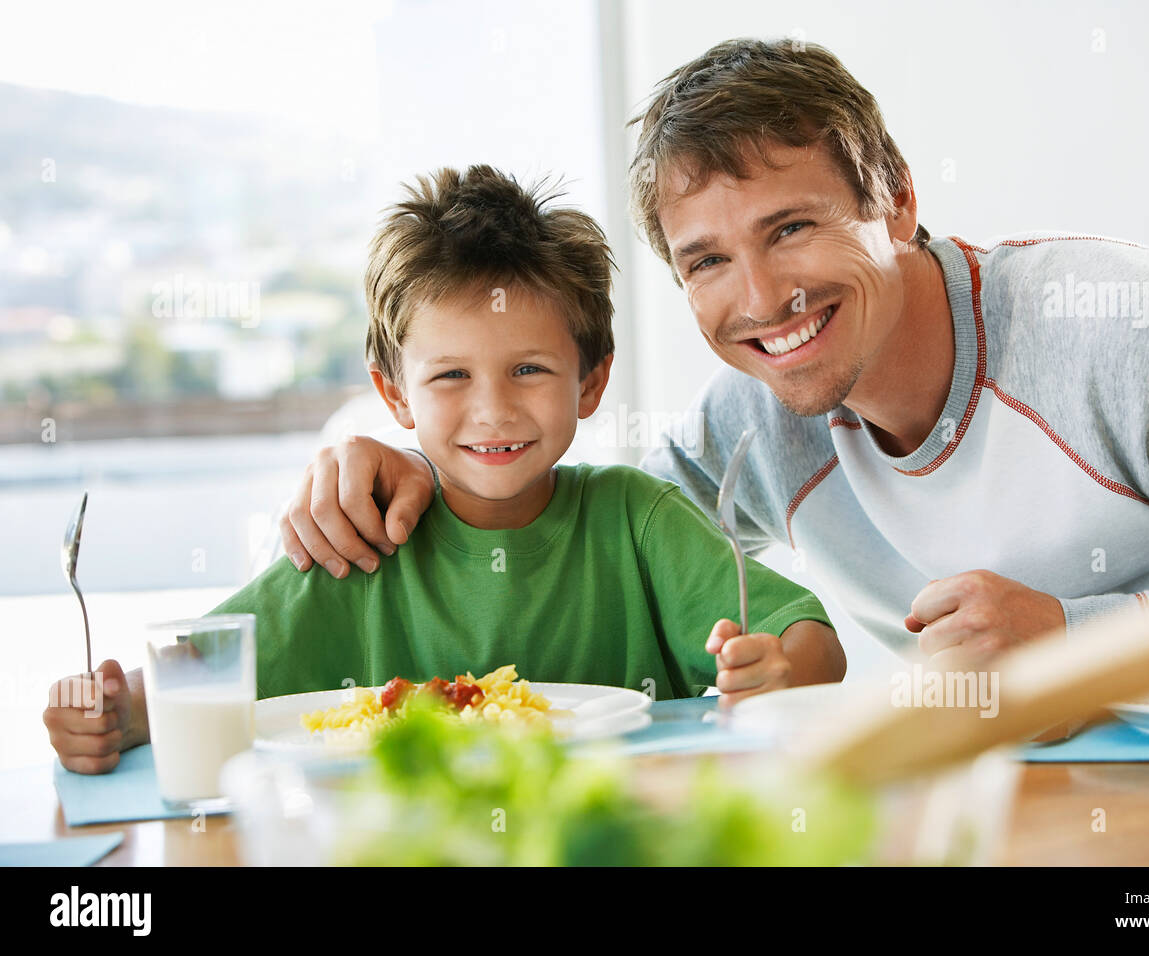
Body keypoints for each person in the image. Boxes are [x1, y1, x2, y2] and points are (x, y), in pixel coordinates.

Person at [279, 38, 1149, 669]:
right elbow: (576, 523)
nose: (762, 299)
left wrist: (1084, 635)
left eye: (790, 228)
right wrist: (405, 459)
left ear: (894, 199)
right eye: (707, 260)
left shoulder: (1128, 333)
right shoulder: (749, 428)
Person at [44, 164, 845, 774]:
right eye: (451, 376)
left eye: (529, 370)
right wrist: (116, 713)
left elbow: (810, 643)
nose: (493, 410)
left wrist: (780, 669)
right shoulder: (356, 543)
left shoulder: (637, 521)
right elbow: (200, 680)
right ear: (394, 393)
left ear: (592, 381)